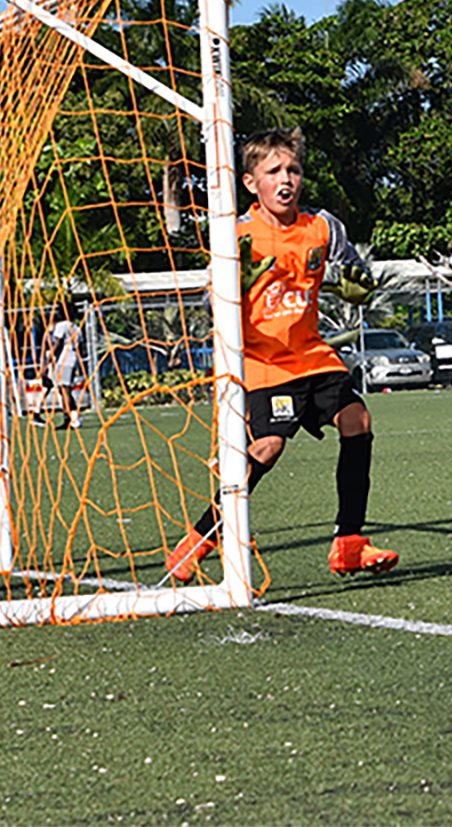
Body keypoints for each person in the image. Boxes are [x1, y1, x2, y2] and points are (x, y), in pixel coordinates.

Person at [165, 127, 394, 582]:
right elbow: (213, 304)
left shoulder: (323, 226)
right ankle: (197, 541)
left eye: (293, 169)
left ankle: (349, 543)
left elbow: (353, 273)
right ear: (252, 183)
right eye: (273, 171)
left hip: (312, 354)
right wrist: (234, 284)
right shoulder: (235, 235)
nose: (286, 178)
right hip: (265, 363)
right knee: (267, 449)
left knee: (358, 420)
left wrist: (357, 286)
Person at [34, 301, 82, 430]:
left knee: (64, 390)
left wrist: (47, 363)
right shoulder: (76, 327)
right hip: (73, 359)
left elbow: (57, 345)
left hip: (64, 360)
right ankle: (72, 417)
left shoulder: (62, 326)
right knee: (64, 390)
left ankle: (72, 420)